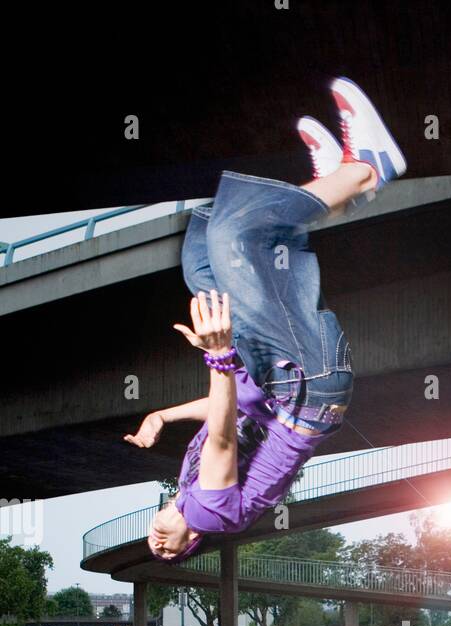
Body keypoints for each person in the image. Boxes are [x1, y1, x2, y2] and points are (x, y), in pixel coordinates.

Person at [124, 78, 406, 562]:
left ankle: (336, 192)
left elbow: (225, 415)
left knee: (202, 253)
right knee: (236, 236)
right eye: (168, 554)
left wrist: (164, 415)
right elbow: (221, 433)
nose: (157, 547)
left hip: (277, 382)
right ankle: (367, 172)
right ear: (192, 540)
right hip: (306, 388)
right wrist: (219, 357)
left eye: (154, 548)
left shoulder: (192, 488)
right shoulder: (209, 513)